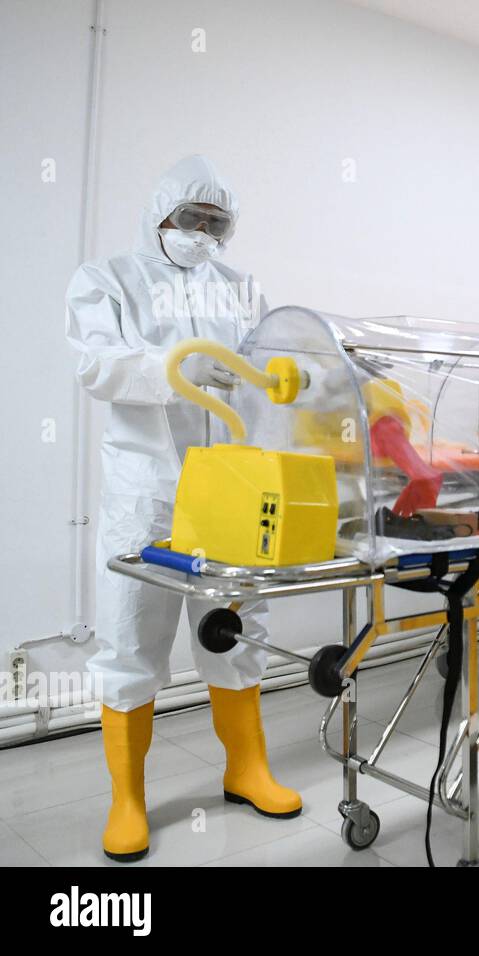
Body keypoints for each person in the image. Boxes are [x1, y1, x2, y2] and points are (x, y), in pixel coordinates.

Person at [66, 155, 300, 863]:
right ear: (160, 214)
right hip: (148, 491)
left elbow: (267, 378)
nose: (202, 234)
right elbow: (94, 364)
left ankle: (246, 766)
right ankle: (128, 799)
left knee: (237, 622)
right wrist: (173, 368)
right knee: (132, 633)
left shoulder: (241, 290)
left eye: (215, 223)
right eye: (190, 219)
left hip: (227, 485)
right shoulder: (107, 279)